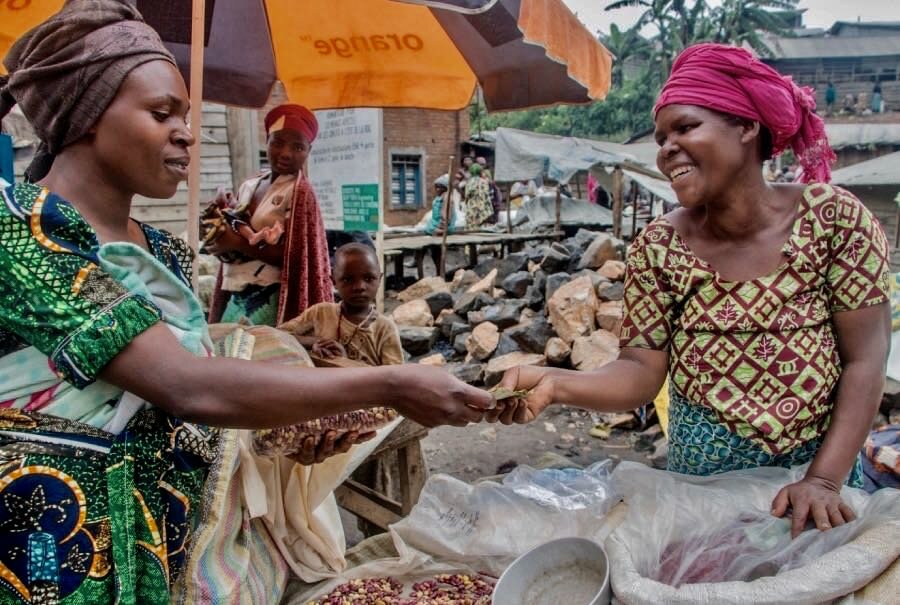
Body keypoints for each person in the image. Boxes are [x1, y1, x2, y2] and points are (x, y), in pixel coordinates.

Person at [0, 3, 493, 604]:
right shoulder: (21, 233)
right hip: (53, 542)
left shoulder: (162, 252)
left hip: (160, 541)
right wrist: (389, 385)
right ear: (85, 117)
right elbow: (184, 384)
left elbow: (182, 413)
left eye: (186, 114)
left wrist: (276, 439)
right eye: (161, 114)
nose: (185, 131)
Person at [492, 43, 890, 539]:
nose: (665, 149)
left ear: (746, 126)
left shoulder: (834, 220)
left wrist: (825, 479)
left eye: (685, 128)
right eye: (661, 137)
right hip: (703, 486)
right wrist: (552, 383)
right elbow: (639, 373)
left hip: (817, 485)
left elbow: (866, 360)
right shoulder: (660, 246)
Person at [206, 103, 332, 327]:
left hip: (269, 295)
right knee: (226, 350)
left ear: (308, 152)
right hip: (235, 288)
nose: (286, 153)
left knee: (256, 353)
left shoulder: (300, 192)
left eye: (297, 147)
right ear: (267, 141)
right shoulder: (251, 184)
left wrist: (236, 242)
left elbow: (296, 256)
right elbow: (236, 224)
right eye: (278, 143)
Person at [280, 243, 402, 366]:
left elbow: (395, 377)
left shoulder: (384, 329)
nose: (359, 287)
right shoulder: (320, 313)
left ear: (380, 279)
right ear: (334, 281)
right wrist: (316, 342)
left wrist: (345, 361)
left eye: (368, 278)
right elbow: (279, 334)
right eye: (348, 280)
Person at [463, 163, 495, 229]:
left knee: (471, 225)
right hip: (481, 206)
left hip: (471, 206)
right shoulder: (484, 181)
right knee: (480, 224)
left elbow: (466, 195)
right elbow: (486, 195)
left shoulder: (469, 182)